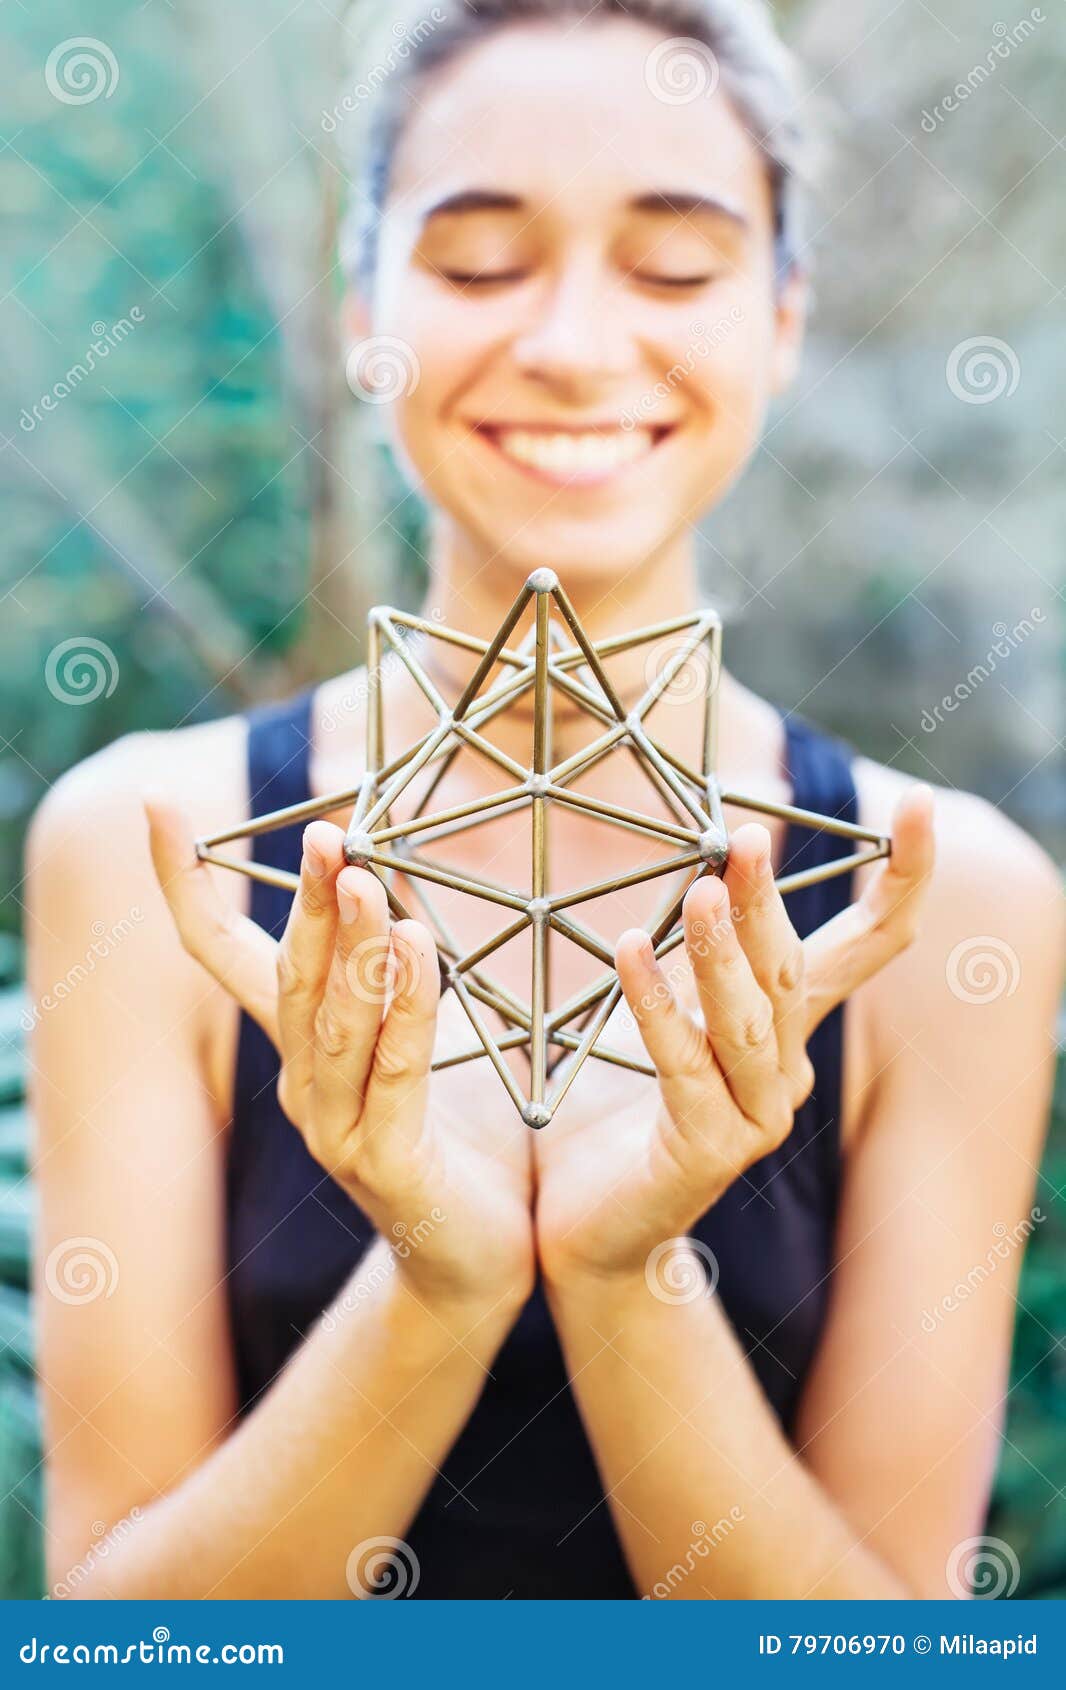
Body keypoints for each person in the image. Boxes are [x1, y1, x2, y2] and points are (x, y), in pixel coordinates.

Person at [28, 0, 1063, 1600]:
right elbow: (125, 1640)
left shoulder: (942, 907)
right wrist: (438, 1285)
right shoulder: (148, 856)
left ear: (783, 312)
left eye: (671, 265)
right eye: (477, 261)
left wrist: (616, 1262)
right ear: (362, 303)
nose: (575, 343)